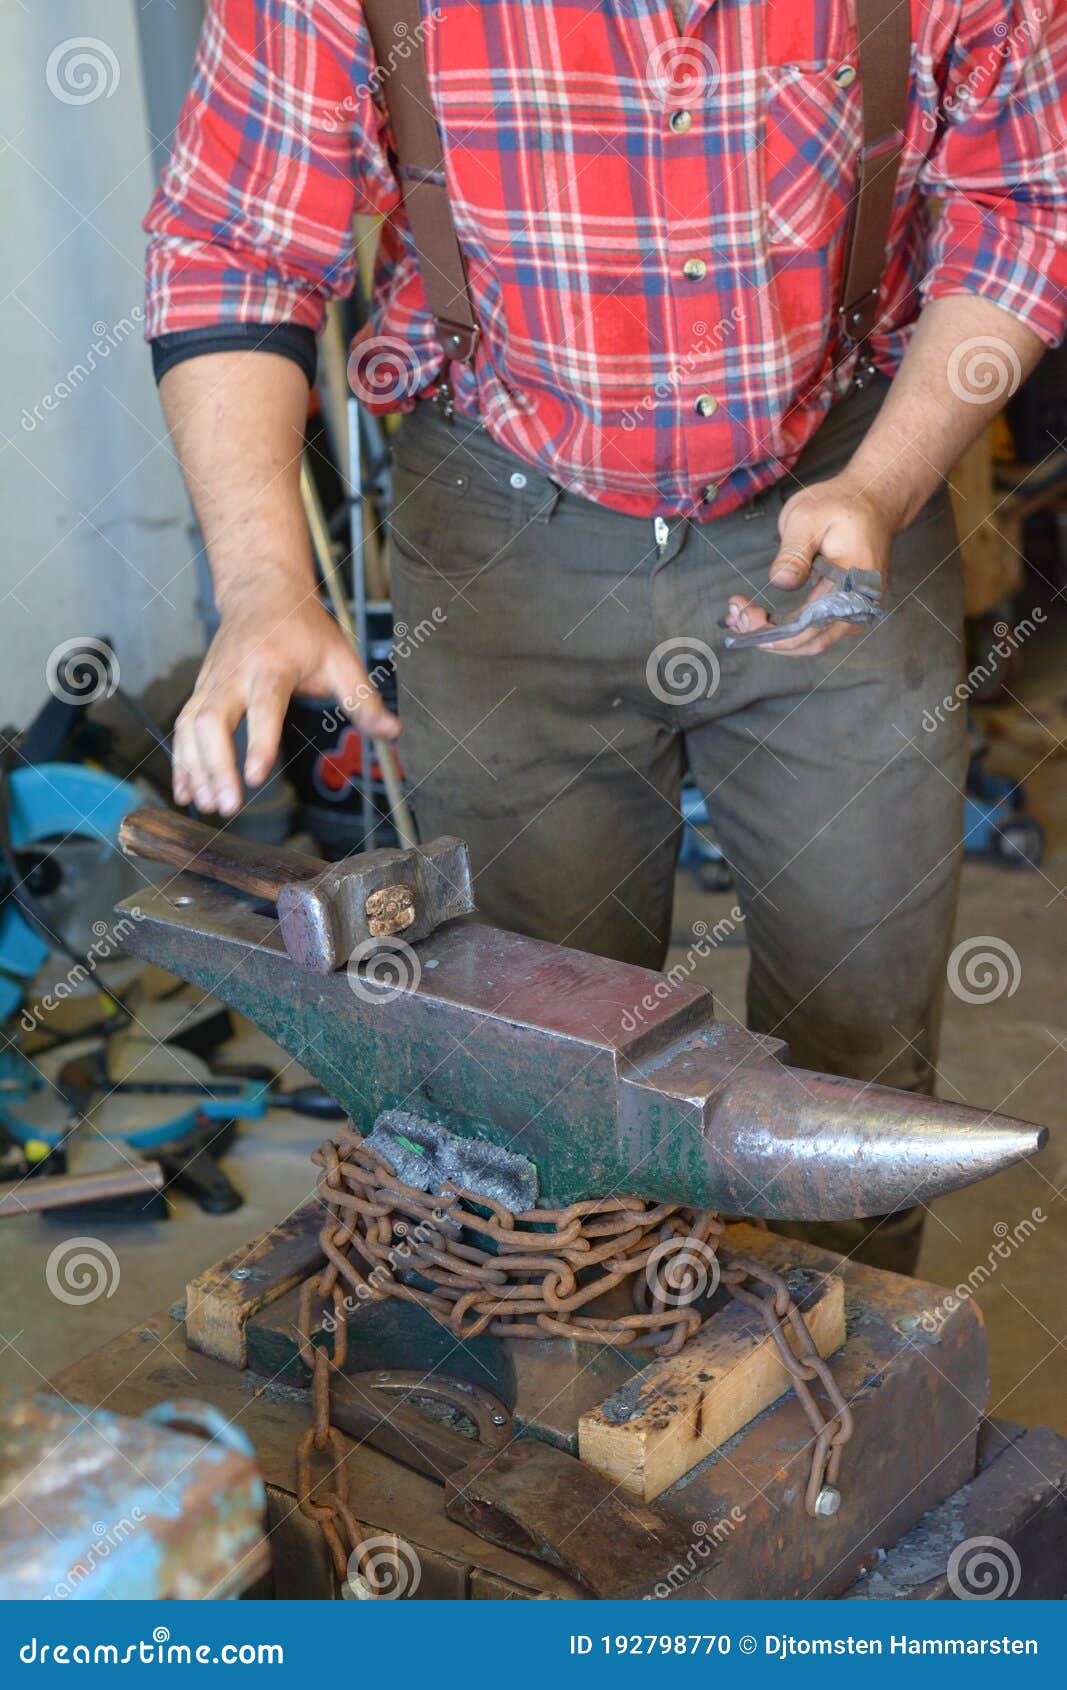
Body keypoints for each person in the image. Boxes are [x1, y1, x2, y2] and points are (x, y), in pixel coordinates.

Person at [144, 1, 1066, 1271]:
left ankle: (824, 1375)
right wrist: (263, 587)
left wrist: (884, 483)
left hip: (844, 485)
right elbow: (234, 243)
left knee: (855, 1063)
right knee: (539, 1079)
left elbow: (1024, 210)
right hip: (503, 522)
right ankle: (583, 1360)